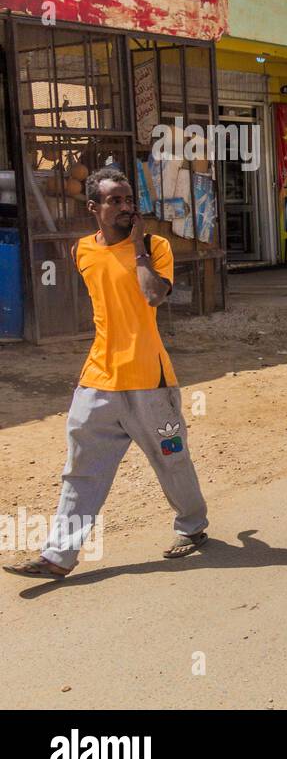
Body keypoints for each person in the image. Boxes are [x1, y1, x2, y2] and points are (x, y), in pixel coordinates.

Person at [4, 168, 209, 580]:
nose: (125, 208)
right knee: (81, 469)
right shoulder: (82, 250)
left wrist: (137, 248)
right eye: (114, 201)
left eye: (129, 200)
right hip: (98, 378)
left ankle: (192, 525)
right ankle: (58, 556)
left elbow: (152, 295)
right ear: (93, 207)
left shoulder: (155, 246)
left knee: (172, 460)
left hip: (151, 382)